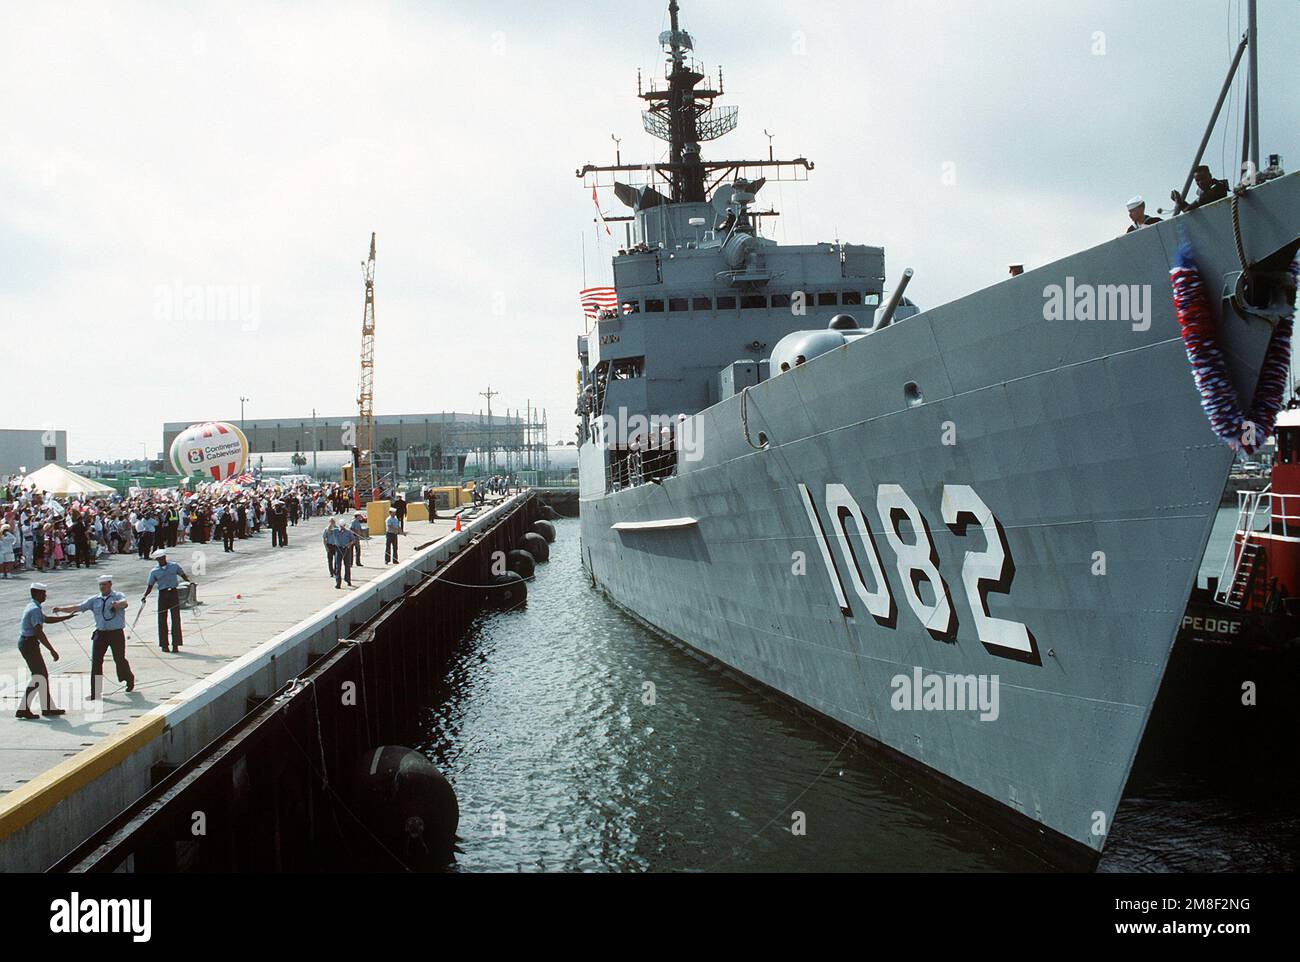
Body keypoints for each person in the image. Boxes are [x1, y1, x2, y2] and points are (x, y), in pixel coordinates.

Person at [55, 574, 133, 699]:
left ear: (110, 584)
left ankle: (128, 678)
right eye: (100, 585)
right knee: (96, 662)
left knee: (119, 659)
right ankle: (95, 691)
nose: (102, 587)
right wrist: (61, 609)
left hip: (116, 633)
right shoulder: (95, 599)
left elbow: (125, 603)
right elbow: (78, 607)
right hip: (100, 634)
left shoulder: (117, 596)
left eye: (105, 584)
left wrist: (116, 604)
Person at [15, 583, 69, 719]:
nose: (45, 595)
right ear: (38, 594)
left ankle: (47, 708)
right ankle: (23, 709)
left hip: (28, 643)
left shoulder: (33, 606)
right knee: (39, 676)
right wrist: (52, 650)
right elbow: (39, 632)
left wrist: (66, 618)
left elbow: (47, 619)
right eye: (44, 593)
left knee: (41, 676)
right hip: (29, 644)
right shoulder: (34, 609)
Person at [142, 549, 193, 652]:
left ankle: (176, 644)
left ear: (165, 558)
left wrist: (190, 582)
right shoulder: (154, 571)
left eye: (163, 558)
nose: (161, 560)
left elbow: (182, 575)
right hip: (163, 594)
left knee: (175, 619)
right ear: (157, 560)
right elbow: (150, 585)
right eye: (159, 559)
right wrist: (145, 595)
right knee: (162, 620)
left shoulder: (174, 566)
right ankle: (164, 645)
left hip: (173, 593)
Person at [331, 522, 356, 588]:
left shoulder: (348, 532)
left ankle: (348, 579)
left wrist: (349, 544)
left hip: (346, 549)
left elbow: (353, 540)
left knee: (347, 566)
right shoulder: (335, 531)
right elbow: (328, 531)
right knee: (338, 567)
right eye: (341, 526)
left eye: (343, 526)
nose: (342, 527)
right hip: (338, 549)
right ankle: (338, 583)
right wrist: (332, 523)